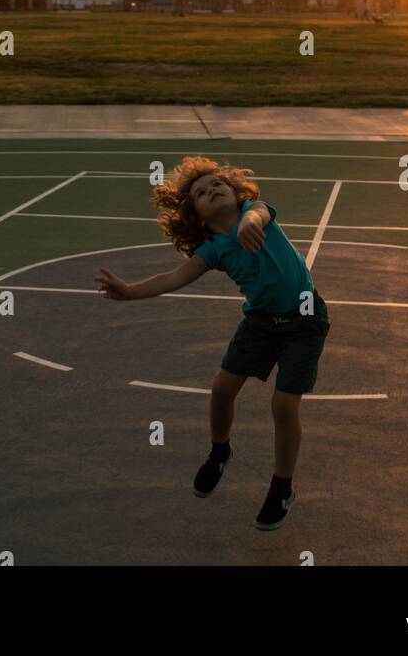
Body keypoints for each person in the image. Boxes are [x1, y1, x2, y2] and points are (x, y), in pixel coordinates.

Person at [95, 156, 331, 530]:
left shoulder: (257, 212)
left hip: (305, 321)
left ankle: (281, 487)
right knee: (221, 390)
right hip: (260, 323)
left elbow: (258, 217)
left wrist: (249, 223)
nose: (211, 190)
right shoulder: (213, 250)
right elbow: (172, 278)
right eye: (201, 193)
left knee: (284, 406)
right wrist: (130, 292)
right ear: (198, 217)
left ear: (235, 193)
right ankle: (220, 451)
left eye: (216, 185)